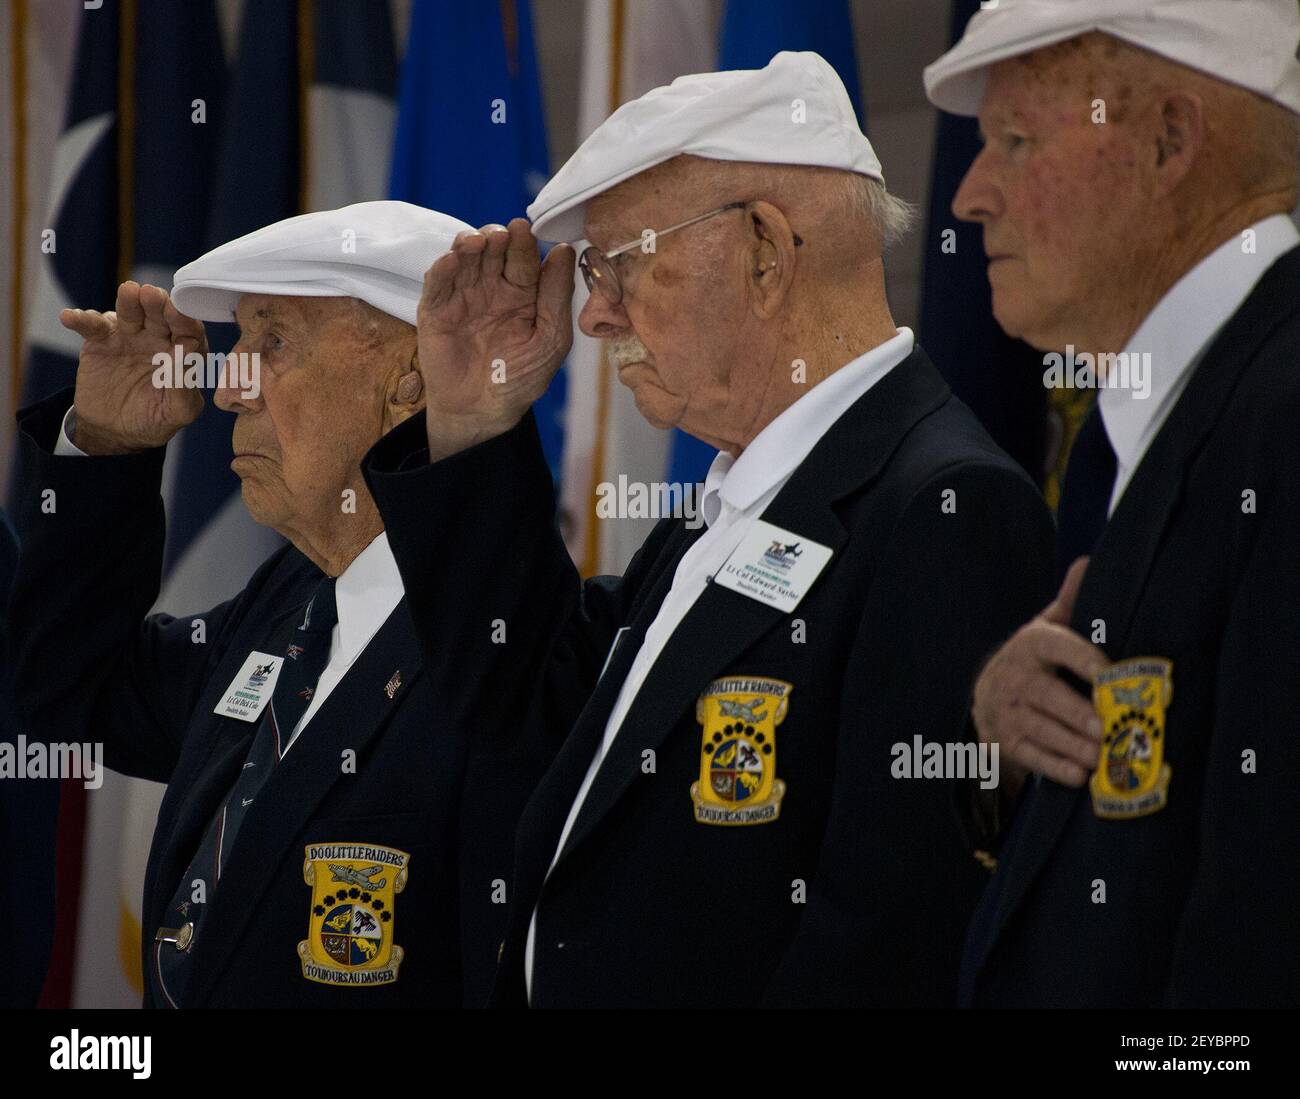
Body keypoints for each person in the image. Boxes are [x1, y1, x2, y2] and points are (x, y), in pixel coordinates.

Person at [363, 52, 1055, 1007]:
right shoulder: (742, 490)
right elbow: (536, 715)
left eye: (621, 264)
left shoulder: (945, 511)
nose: (595, 316)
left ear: (766, 251)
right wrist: (476, 423)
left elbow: (884, 942)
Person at [7, 201, 545, 1007]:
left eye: (274, 343)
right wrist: (109, 448)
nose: (228, 388)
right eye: (239, 344)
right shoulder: (297, 599)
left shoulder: (514, 646)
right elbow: (74, 689)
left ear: (412, 379)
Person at [924, 0, 1300, 1006]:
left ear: (1169, 140)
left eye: (1012, 141)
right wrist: (1002, 757)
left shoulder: (1279, 414)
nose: (966, 196)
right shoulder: (1180, 417)